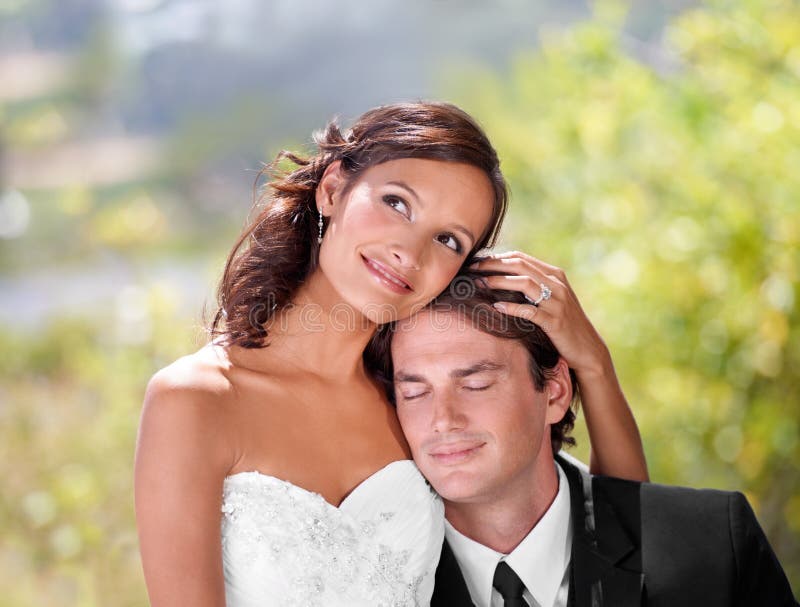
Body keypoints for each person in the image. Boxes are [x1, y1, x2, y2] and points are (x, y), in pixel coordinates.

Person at [134, 101, 648, 607]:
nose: (410, 251)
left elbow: (622, 535)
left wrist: (593, 364)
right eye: (398, 203)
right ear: (333, 189)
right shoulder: (197, 401)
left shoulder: (417, 401)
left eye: (448, 239)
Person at [383, 274, 798, 607]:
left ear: (556, 392)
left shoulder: (713, 545)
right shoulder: (368, 578)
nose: (443, 420)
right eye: (415, 393)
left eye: (476, 383)